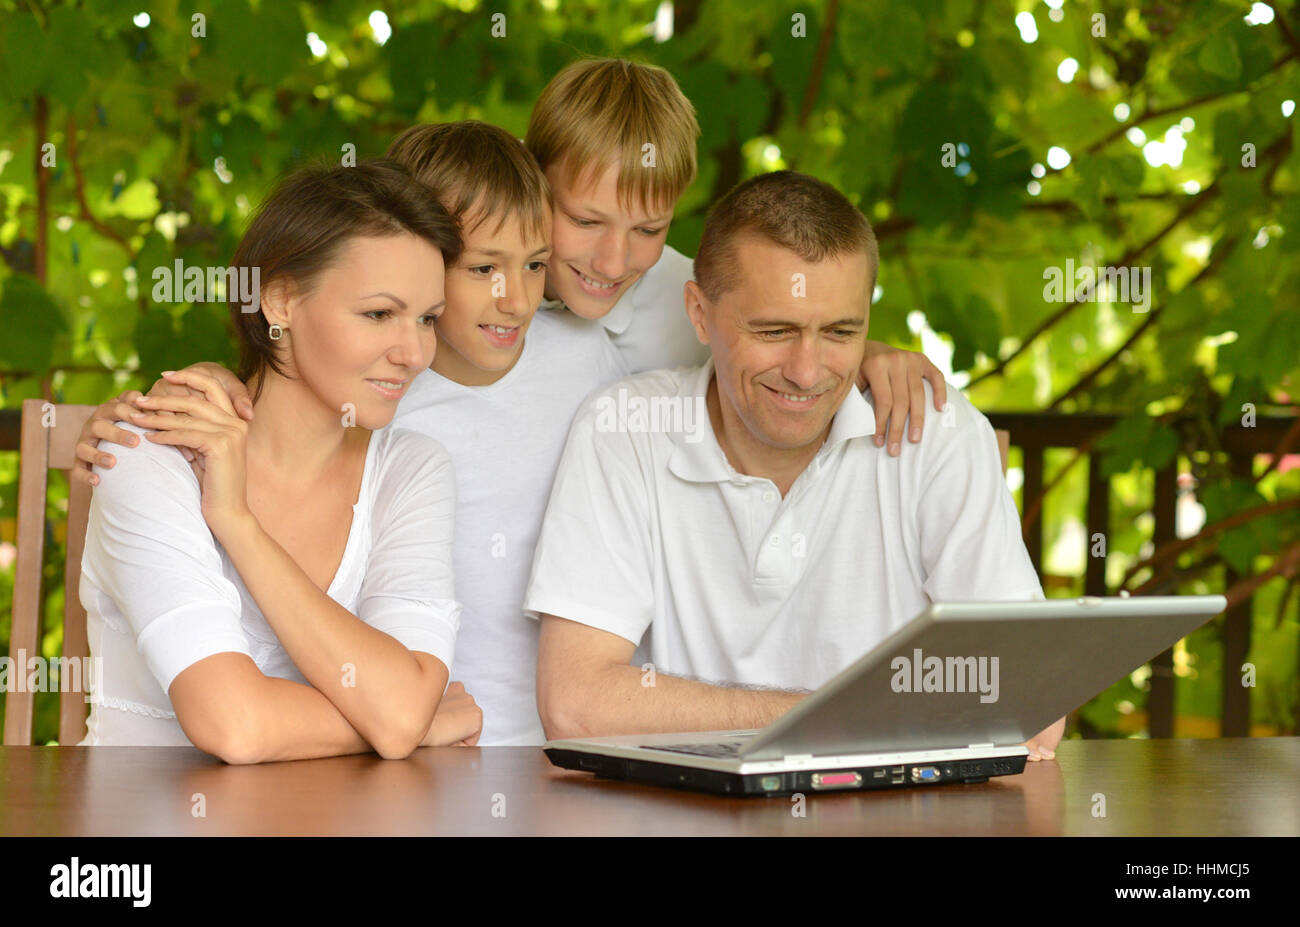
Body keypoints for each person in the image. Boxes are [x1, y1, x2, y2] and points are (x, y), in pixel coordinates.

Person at [526, 170, 1066, 760]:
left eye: (839, 332)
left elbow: (1030, 713)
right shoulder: (626, 429)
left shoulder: (934, 432)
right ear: (699, 315)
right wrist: (848, 720)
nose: (807, 373)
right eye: (775, 330)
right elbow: (575, 703)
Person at [78, 159, 482, 761]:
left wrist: (237, 524)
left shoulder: (411, 471)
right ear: (281, 301)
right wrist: (402, 722)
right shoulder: (148, 456)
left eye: (426, 318)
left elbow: (398, 712)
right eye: (378, 313)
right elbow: (234, 725)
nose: (416, 352)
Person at [524, 56, 948, 452]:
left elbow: (782, 351)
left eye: (648, 229)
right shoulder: (470, 276)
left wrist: (865, 358)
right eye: (585, 222)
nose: (613, 263)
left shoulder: (692, 302)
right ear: (533, 182)